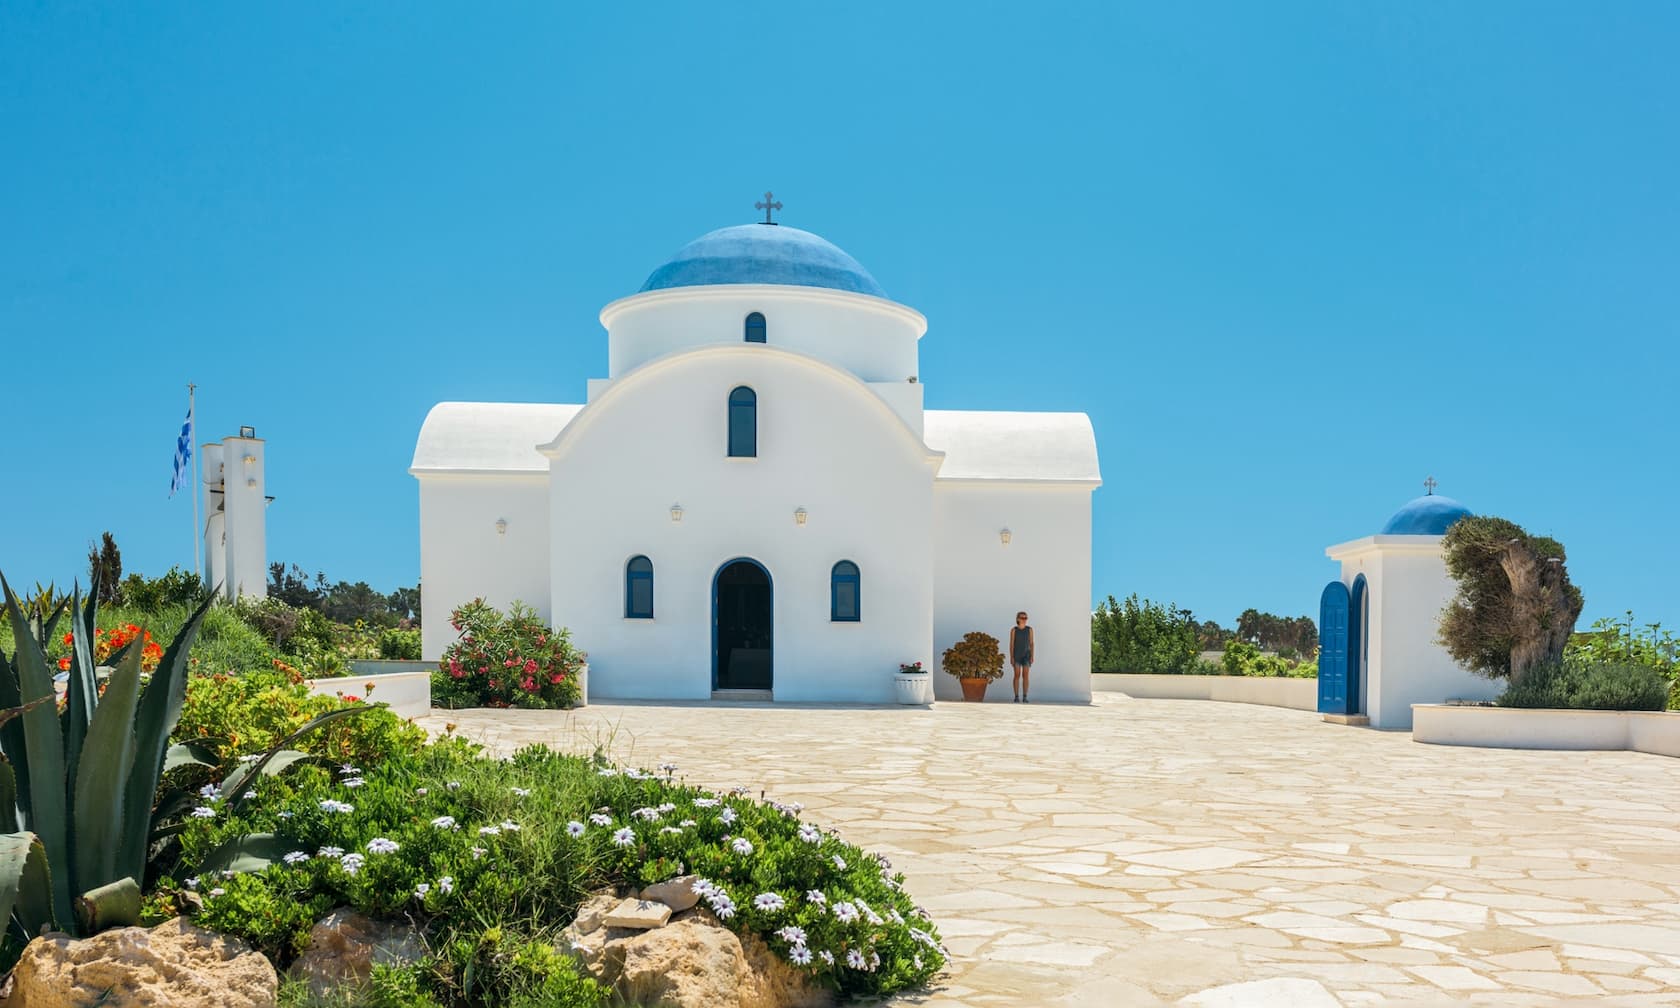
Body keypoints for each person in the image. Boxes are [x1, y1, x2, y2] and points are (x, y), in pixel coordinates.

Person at [1009, 611, 1034, 703]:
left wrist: (1032, 655)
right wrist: (1011, 657)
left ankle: (1025, 696)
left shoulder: (1029, 630)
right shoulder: (1014, 630)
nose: (1024, 620)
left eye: (1026, 618)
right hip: (1017, 655)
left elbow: (1031, 643)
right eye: (1022, 618)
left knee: (1026, 675)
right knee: (1017, 675)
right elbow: (1011, 644)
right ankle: (1016, 696)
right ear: (1018, 619)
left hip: (1026, 655)